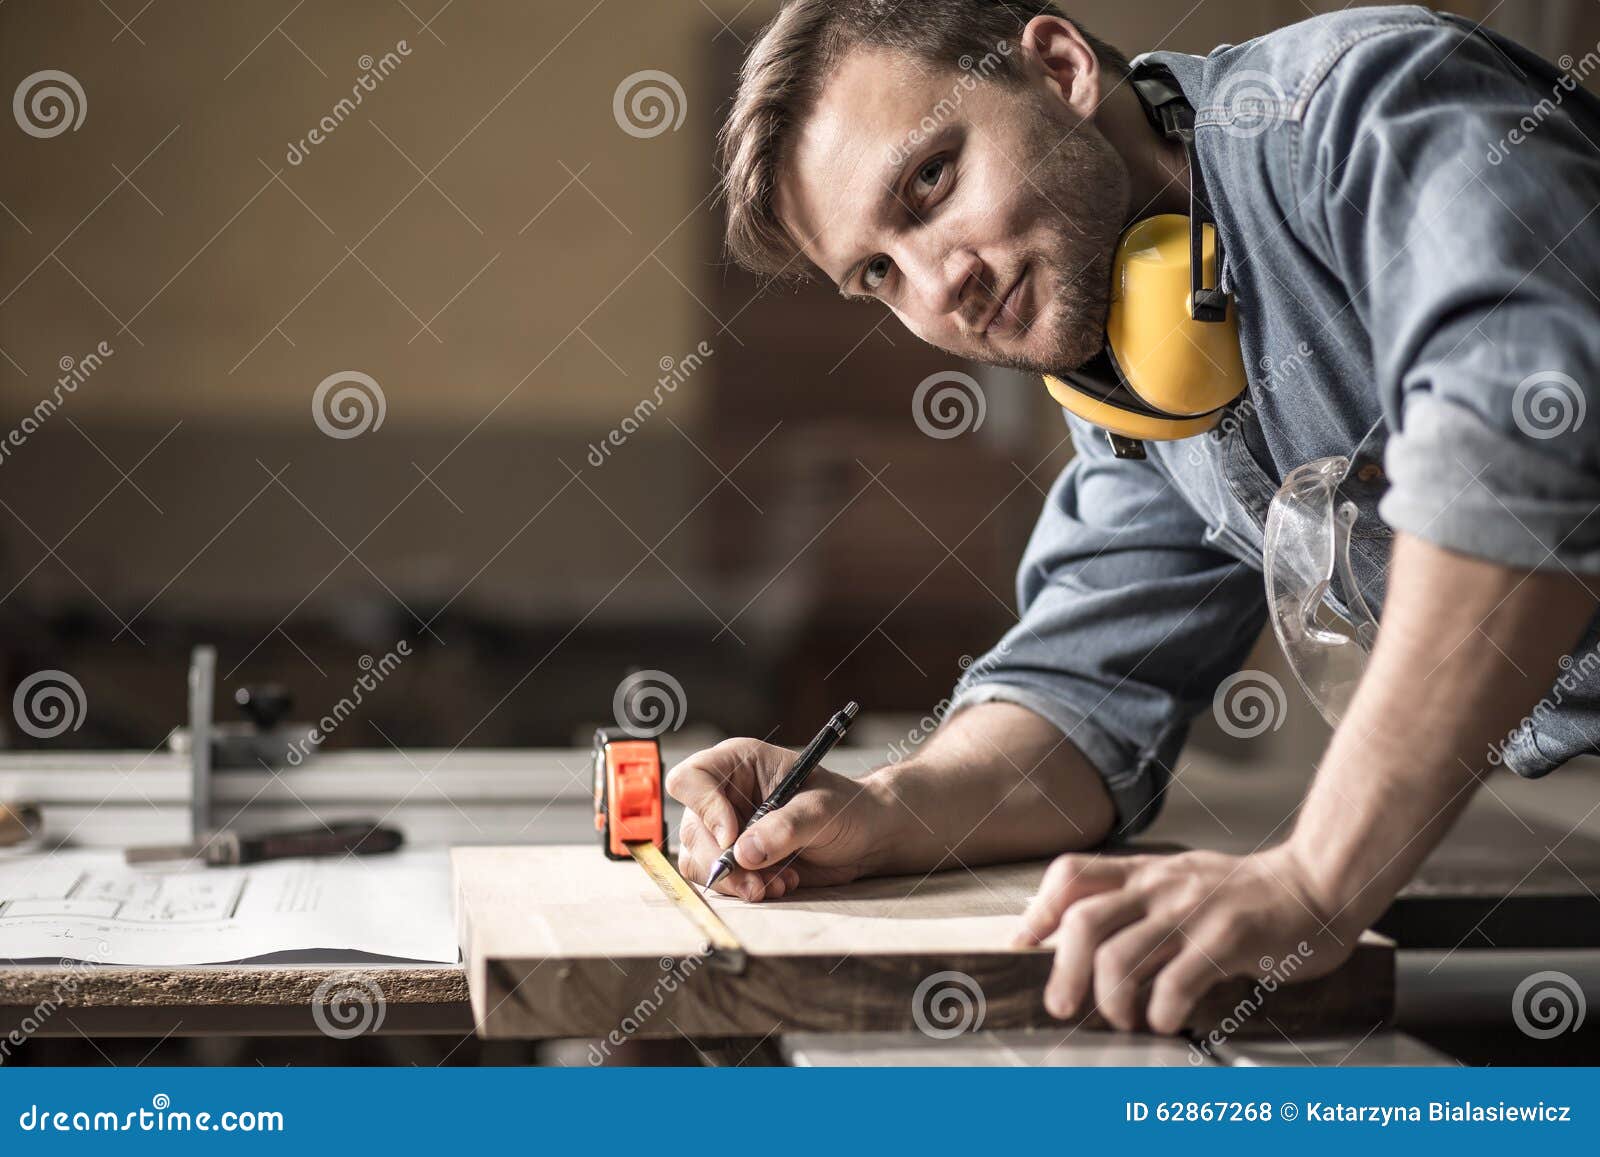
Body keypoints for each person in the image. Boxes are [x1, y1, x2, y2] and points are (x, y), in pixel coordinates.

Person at [668, 0, 1600, 1034]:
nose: (940, 287)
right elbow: (1083, 694)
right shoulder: (1135, 373)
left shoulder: (1358, 106)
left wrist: (1313, 878)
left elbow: (1521, 451)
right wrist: (882, 809)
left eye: (929, 181)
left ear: (1060, 66)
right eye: (877, 272)